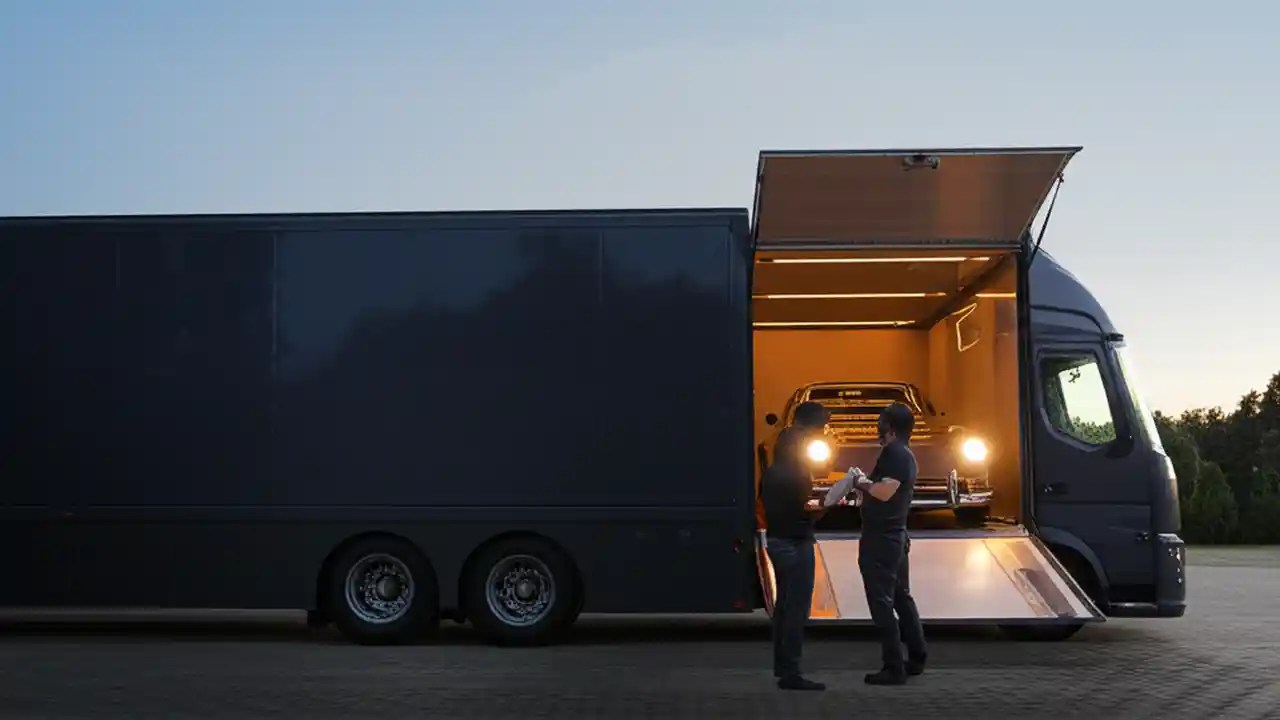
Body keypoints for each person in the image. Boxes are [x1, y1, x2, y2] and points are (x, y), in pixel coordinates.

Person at [851, 401, 928, 686]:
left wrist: (861, 483)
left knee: (882, 602)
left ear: (891, 428)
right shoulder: (901, 454)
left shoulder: (895, 454)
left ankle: (893, 667)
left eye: (881, 422)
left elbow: (885, 492)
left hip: (882, 539)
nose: (877, 428)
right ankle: (917, 657)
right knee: (900, 598)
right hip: (894, 536)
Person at [759, 401, 830, 691]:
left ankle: (783, 666)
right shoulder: (798, 472)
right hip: (796, 542)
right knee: (797, 609)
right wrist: (829, 505)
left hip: (776, 539)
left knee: (784, 608)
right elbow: (804, 510)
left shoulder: (774, 470)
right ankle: (791, 672)